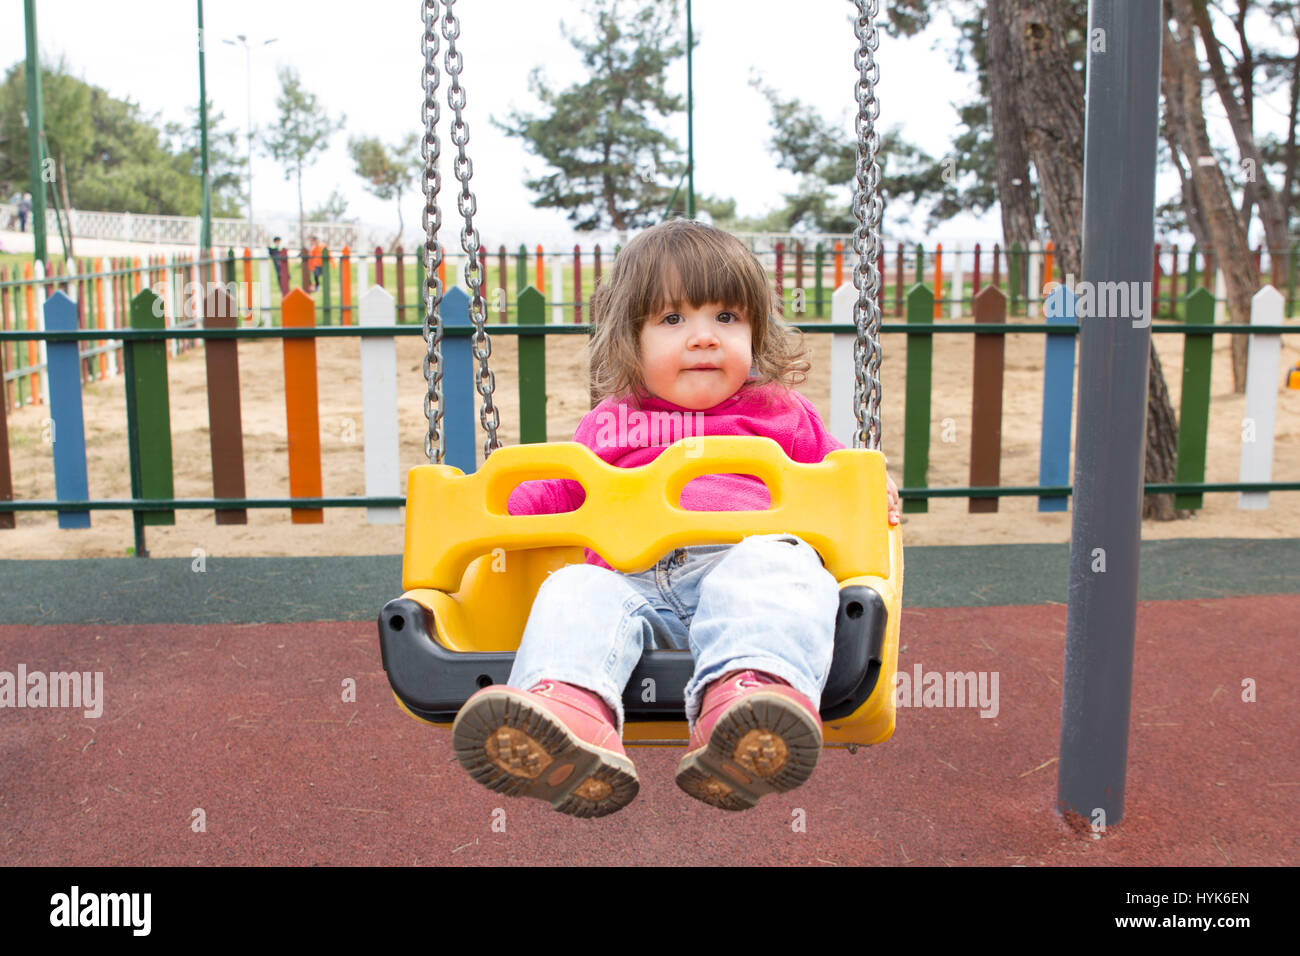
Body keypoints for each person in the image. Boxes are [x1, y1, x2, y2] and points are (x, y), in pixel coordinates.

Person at [451, 219, 902, 818]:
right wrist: (481, 510)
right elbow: (548, 491)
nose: (703, 338)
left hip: (741, 577)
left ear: (755, 332)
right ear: (630, 338)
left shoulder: (780, 413)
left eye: (727, 318)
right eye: (672, 320)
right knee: (573, 587)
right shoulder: (610, 423)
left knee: (778, 564)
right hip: (632, 591)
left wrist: (875, 487)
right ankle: (570, 715)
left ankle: (746, 710)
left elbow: (837, 474)